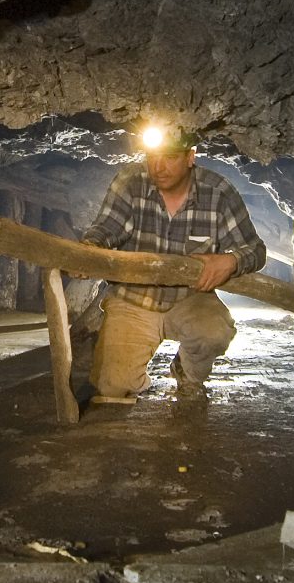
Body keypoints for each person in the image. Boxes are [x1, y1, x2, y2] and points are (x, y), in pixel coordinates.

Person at [79, 124, 266, 401]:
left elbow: (255, 250)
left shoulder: (217, 193)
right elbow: (106, 229)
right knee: (113, 387)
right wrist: (88, 251)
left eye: (170, 157)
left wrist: (231, 261)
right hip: (133, 299)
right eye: (152, 157)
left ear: (190, 157)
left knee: (214, 332)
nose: (159, 167)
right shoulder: (131, 182)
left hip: (191, 299)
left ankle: (186, 372)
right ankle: (130, 376)